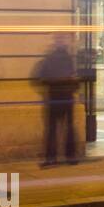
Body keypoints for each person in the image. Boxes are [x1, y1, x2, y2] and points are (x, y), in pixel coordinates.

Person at [33, 32, 79, 166]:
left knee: (53, 129)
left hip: (55, 96)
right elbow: (73, 76)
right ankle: (69, 157)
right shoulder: (68, 58)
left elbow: (41, 77)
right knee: (66, 128)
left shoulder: (50, 58)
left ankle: (52, 157)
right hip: (65, 96)